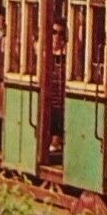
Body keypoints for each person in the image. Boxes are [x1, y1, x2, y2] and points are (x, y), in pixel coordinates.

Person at [46, 19, 67, 156]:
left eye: (61, 33)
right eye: (54, 32)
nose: (57, 36)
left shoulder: (68, 56)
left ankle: (57, 140)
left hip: (60, 97)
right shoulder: (41, 54)